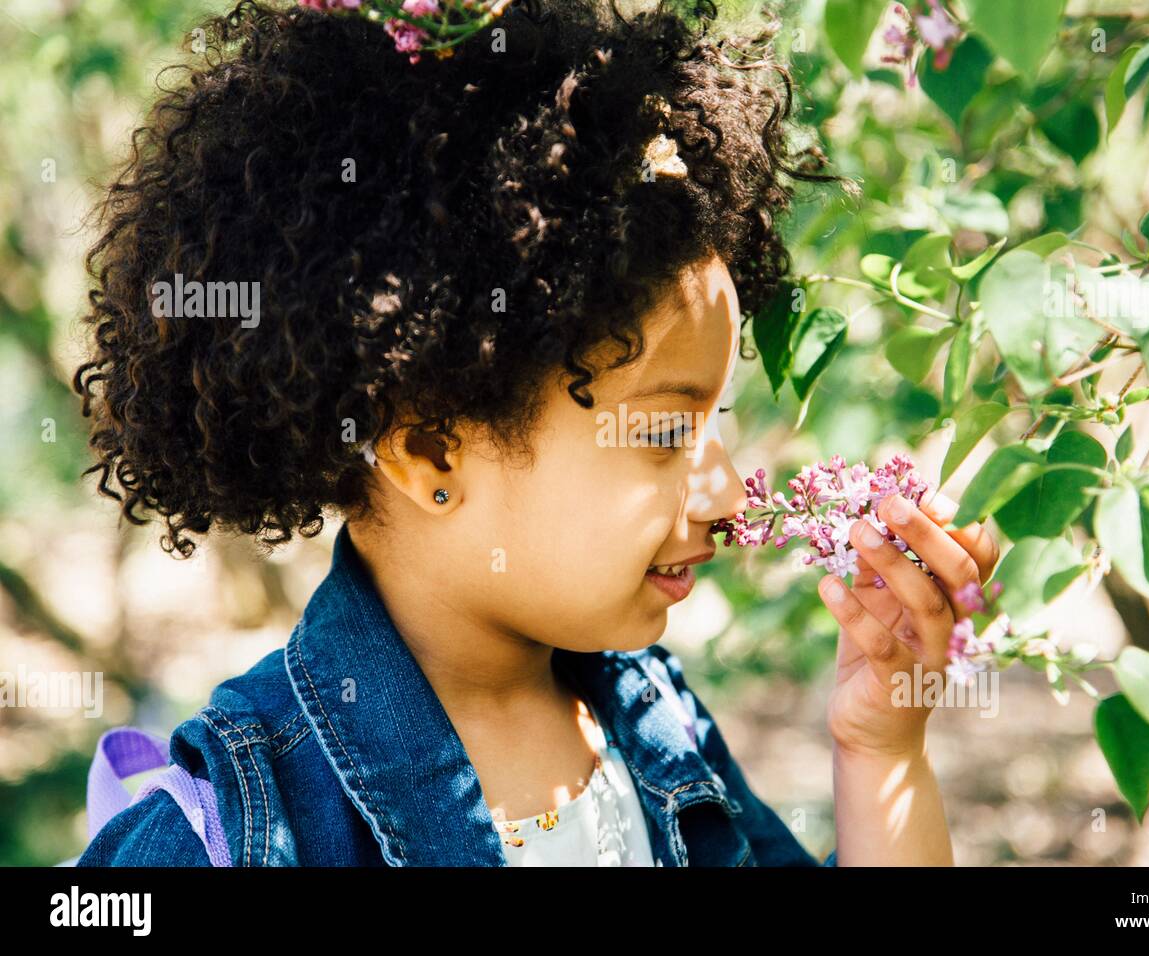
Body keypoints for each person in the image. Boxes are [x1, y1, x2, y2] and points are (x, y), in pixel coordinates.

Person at [73, 0, 996, 866]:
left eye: (716, 422)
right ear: (430, 452)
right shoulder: (229, 830)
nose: (725, 494)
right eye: (666, 430)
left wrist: (879, 750)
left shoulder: (655, 716)